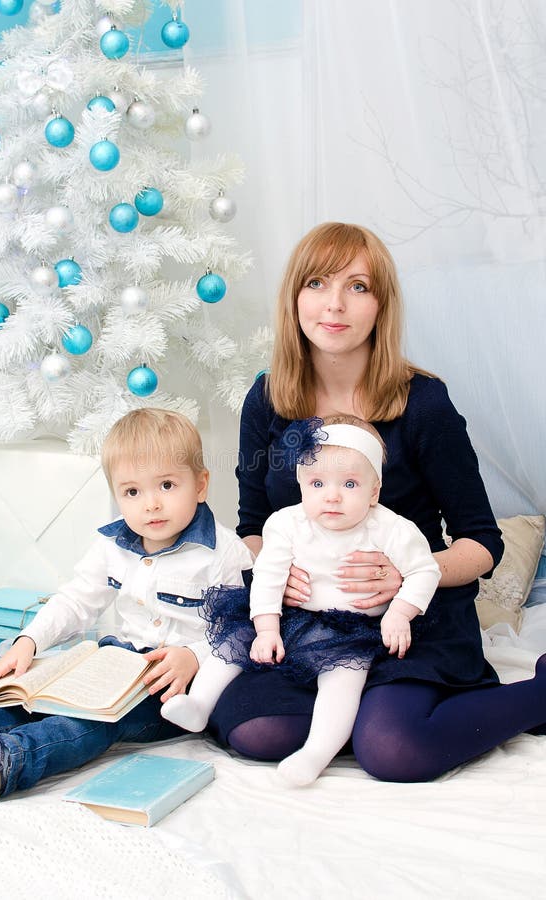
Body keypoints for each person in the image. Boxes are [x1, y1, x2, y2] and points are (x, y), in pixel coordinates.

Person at [207, 221, 546, 783]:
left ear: (381, 305)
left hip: (409, 615)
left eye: (358, 287)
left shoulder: (424, 404)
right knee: (256, 732)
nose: (334, 304)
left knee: (394, 750)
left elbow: (482, 543)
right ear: (294, 296)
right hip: (309, 618)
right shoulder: (267, 400)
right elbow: (252, 525)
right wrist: (274, 565)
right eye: (317, 283)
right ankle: (354, 707)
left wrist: (408, 576)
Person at [0, 408, 253, 800]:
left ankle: (7, 761)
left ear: (201, 484)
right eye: (132, 492)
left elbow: (241, 628)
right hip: (118, 662)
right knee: (36, 696)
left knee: (90, 721)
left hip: (175, 687)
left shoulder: (224, 552)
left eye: (167, 485)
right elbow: (76, 600)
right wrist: (29, 641)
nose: (151, 505)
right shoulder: (113, 545)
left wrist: (193, 656)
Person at [162, 414, 441, 785]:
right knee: (230, 641)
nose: (332, 495)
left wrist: (399, 614)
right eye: (318, 482)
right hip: (291, 616)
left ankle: (316, 753)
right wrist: (266, 628)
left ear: (374, 491)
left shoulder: (391, 529)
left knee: (343, 679)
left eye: (351, 483)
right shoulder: (286, 524)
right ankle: (199, 704)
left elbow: (426, 571)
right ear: (301, 484)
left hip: (351, 629)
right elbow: (268, 578)